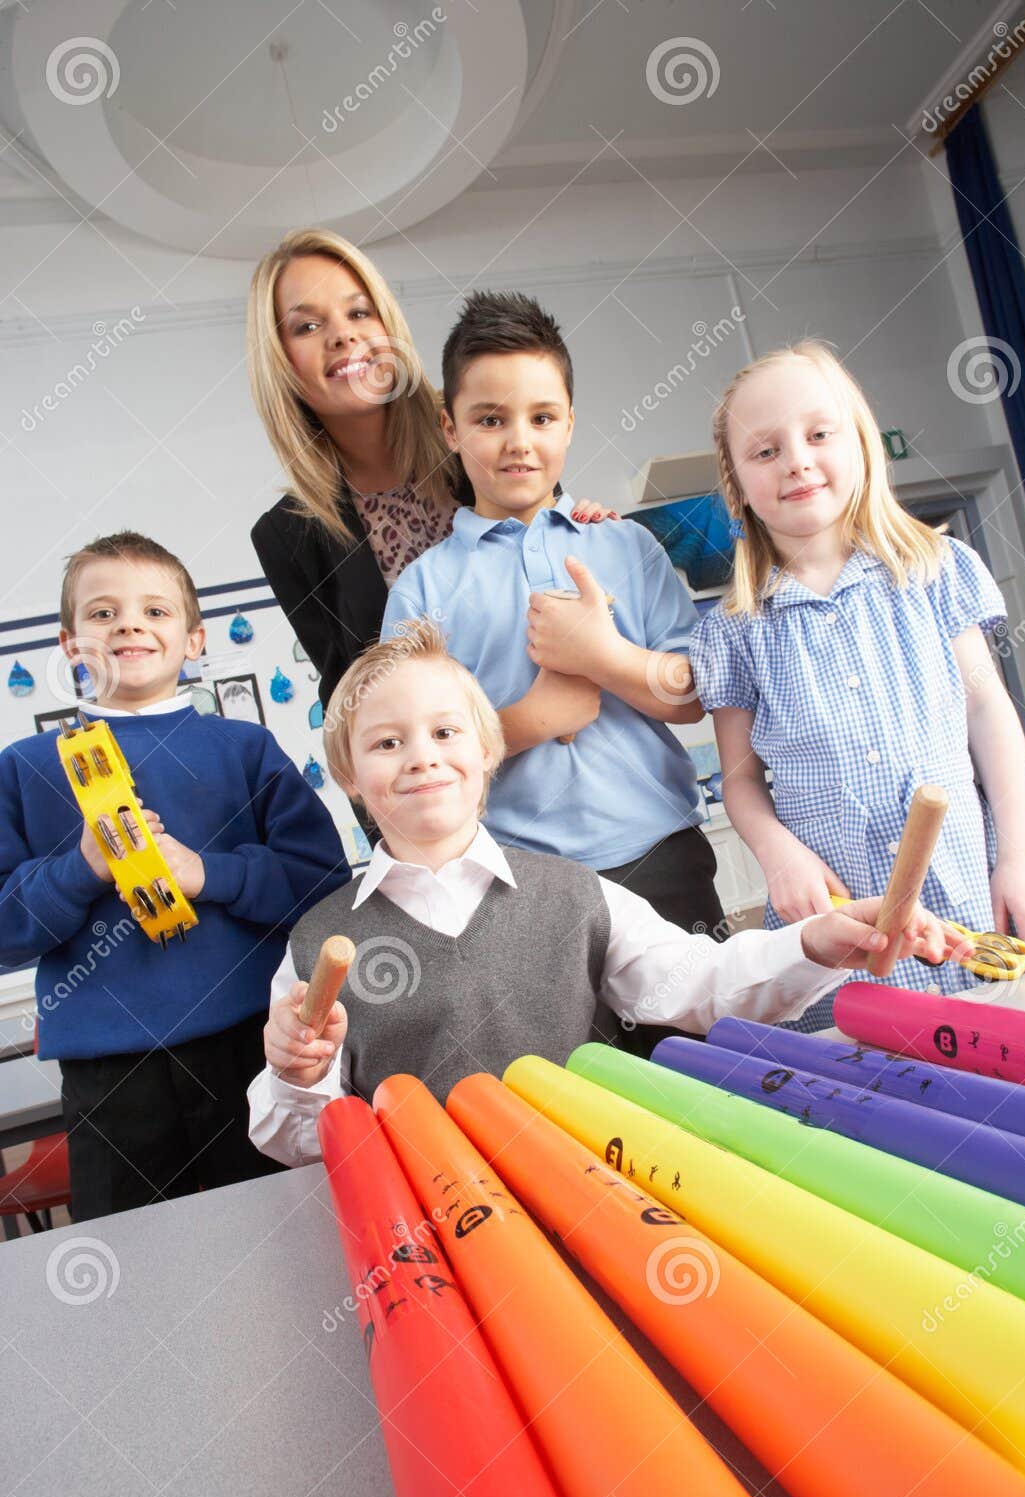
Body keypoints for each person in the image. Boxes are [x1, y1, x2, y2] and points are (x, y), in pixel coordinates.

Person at [247, 621, 965, 1166]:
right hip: (438, 1238)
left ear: (488, 750)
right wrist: (294, 1074)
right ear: (347, 775)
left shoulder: (573, 894)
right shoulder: (317, 942)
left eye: (444, 731)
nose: (423, 757)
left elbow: (699, 984)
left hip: (595, 1193)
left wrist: (812, 940)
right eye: (386, 744)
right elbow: (296, 1140)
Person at [690, 340, 1025, 1031]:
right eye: (764, 451)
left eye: (818, 434)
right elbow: (739, 781)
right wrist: (779, 857)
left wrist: (1019, 858)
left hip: (975, 901)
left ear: (859, 445)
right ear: (736, 486)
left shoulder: (933, 569)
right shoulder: (733, 630)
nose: (796, 459)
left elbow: (989, 715)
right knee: (874, 1100)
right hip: (836, 922)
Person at [0, 532, 351, 1219]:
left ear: (194, 639)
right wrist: (79, 871)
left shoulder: (245, 749)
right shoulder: (24, 767)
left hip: (250, 1043)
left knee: (280, 1230)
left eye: (155, 612)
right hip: (109, 1073)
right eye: (102, 613)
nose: (129, 624)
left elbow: (323, 886)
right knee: (131, 1259)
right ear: (70, 644)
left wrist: (207, 873)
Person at [381, 291, 725, 977]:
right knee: (563, 1078)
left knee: (708, 1058)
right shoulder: (421, 590)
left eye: (541, 417)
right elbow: (411, 754)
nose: (518, 441)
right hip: (515, 880)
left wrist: (608, 659)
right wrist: (530, 720)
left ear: (569, 423)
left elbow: (696, 692)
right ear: (449, 428)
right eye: (489, 419)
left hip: (660, 853)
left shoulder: (626, 544)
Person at [246, 229, 615, 712]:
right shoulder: (286, 536)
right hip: (435, 774)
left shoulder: (481, 431)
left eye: (359, 312)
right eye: (306, 327)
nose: (342, 335)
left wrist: (588, 530)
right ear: (281, 362)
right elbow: (349, 702)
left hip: (565, 746)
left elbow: (560, 581)